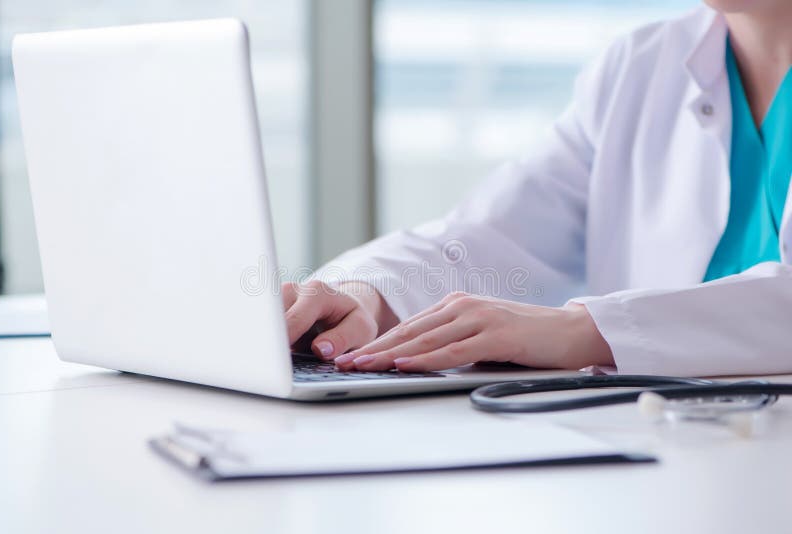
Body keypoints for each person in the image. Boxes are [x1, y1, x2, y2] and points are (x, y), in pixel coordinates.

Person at [284, 0, 792, 377]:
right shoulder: (640, 68)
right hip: (671, 467)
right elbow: (493, 236)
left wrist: (582, 332)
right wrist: (366, 294)